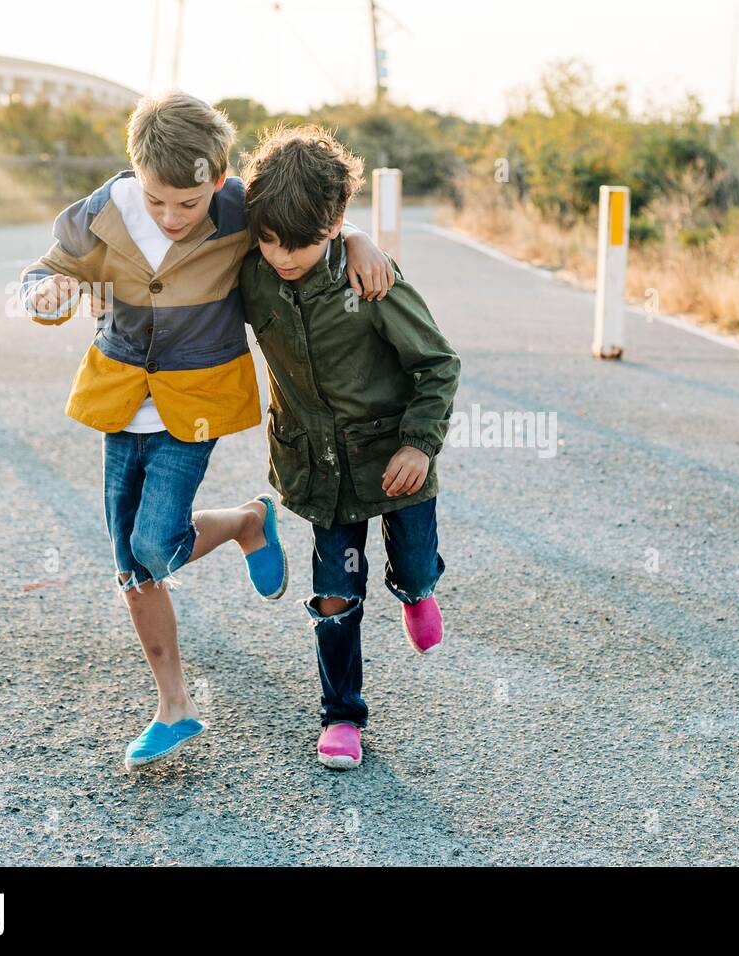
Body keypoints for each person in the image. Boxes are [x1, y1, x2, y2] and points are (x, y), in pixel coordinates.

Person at [17, 94, 395, 770]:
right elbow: (51, 268)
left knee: (155, 549)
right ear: (136, 173)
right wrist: (45, 294)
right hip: (118, 398)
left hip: (193, 407)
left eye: (188, 204)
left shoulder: (239, 209)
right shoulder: (103, 211)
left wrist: (358, 238)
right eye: (159, 200)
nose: (172, 215)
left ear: (218, 179)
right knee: (132, 567)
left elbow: (309, 220)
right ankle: (173, 706)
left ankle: (248, 520)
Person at [238, 124, 461, 769]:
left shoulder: (371, 279)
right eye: (271, 241)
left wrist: (420, 445)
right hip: (319, 469)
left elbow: (438, 364)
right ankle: (343, 716)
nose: (283, 256)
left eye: (301, 244)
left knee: (413, 566)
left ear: (335, 223)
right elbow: (192, 203)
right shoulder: (253, 272)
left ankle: (417, 591)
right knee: (336, 595)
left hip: (396, 463)